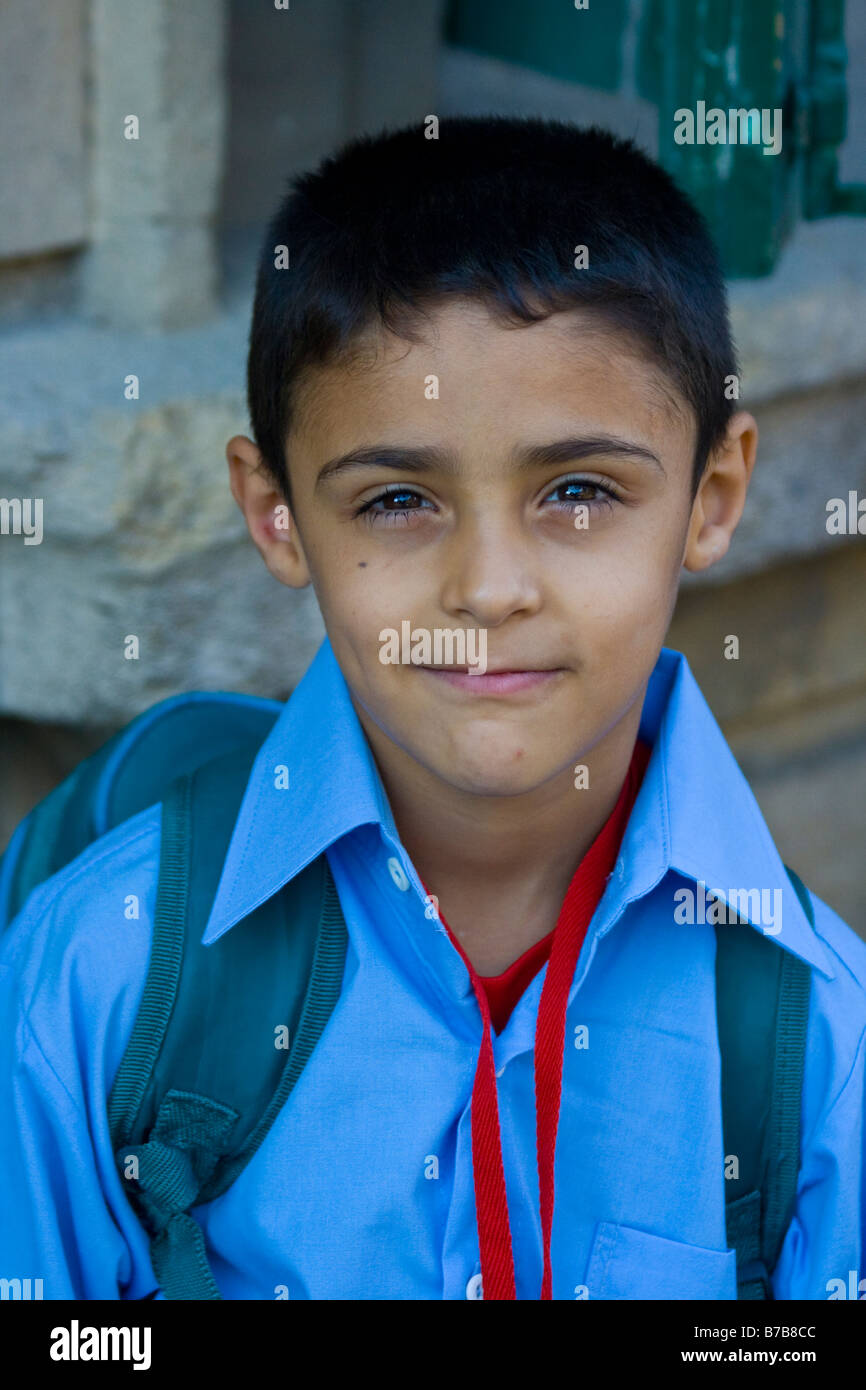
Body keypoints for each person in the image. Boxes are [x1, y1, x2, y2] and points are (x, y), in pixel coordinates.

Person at [1, 116, 863, 1300]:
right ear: (276, 514)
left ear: (711, 499)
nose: (488, 588)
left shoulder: (814, 1043)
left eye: (577, 490)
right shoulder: (104, 975)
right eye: (399, 498)